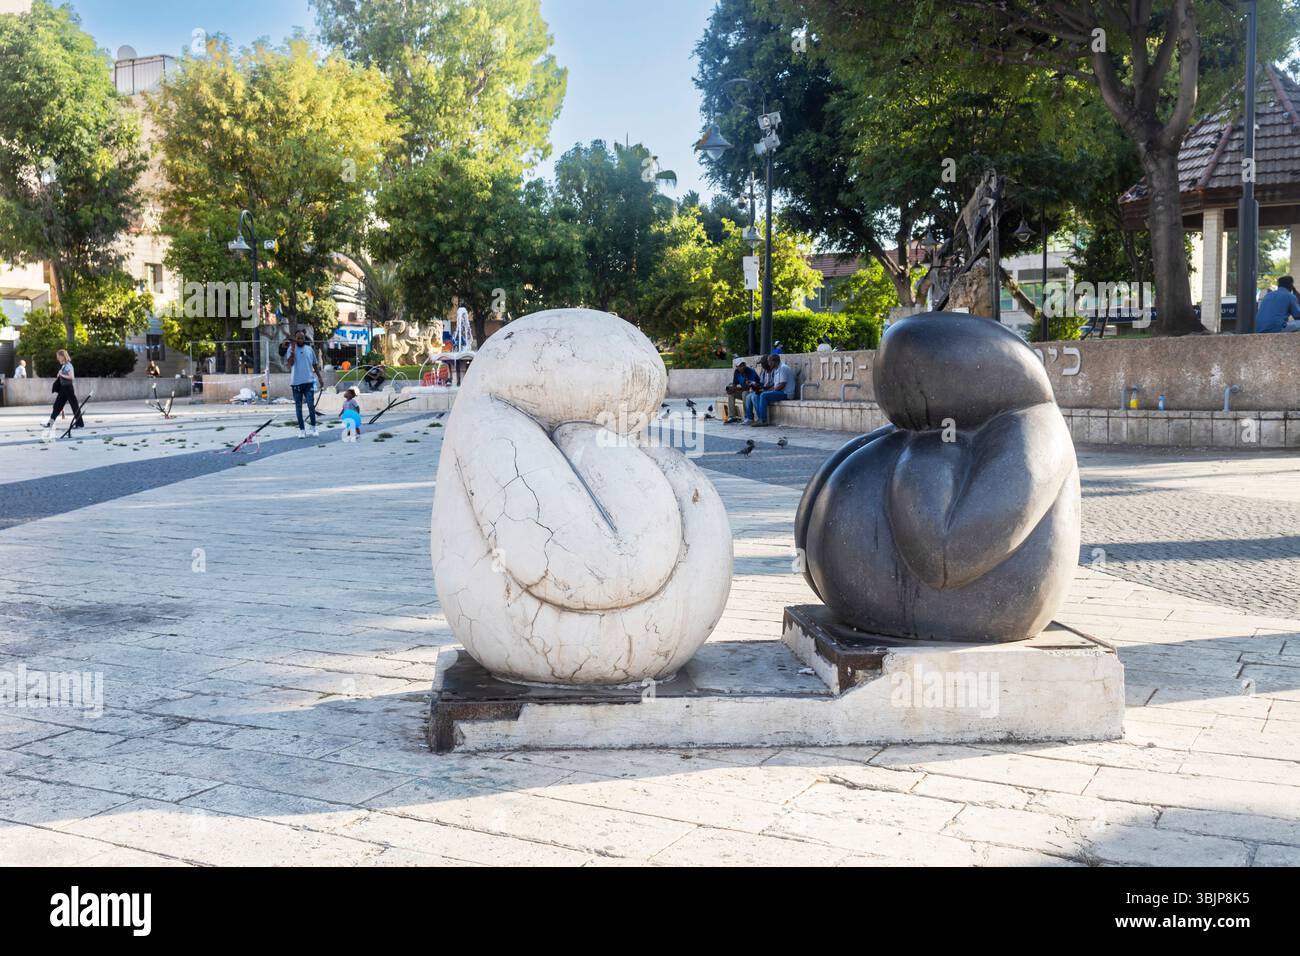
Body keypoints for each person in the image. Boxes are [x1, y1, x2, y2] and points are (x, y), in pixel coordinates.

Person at [287, 329, 324, 438]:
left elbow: (315, 365)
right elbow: (290, 363)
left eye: (302, 338)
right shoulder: (291, 349)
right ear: (295, 338)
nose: (300, 340)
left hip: (308, 382)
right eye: (298, 338)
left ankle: (313, 427)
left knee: (311, 406)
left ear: (304, 338)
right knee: (298, 407)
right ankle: (302, 430)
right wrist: (293, 350)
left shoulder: (309, 349)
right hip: (296, 383)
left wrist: (320, 378)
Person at [44, 349, 84, 435]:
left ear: (63, 356)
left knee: (74, 406)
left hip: (68, 388)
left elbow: (71, 377)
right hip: (63, 388)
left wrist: (61, 374)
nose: (57, 359)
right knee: (57, 406)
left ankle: (80, 424)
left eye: (58, 357)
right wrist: (60, 375)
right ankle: (50, 423)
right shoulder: (64, 366)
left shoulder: (69, 365)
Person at [751, 352, 793, 427]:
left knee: (763, 395)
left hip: (786, 393)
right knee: (758, 394)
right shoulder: (777, 369)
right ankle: (760, 418)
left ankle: (763, 420)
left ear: (774, 361)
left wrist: (768, 391)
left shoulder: (783, 368)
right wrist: (765, 390)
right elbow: (775, 385)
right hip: (780, 392)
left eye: (769, 362)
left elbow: (782, 385)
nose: (768, 363)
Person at [723, 359, 760, 423]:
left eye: (743, 365)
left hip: (754, 391)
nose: (742, 367)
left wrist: (737, 389)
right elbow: (735, 383)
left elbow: (749, 387)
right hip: (743, 389)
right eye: (740, 366)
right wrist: (732, 389)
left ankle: (747, 417)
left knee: (745, 394)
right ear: (737, 367)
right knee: (731, 394)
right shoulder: (736, 372)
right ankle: (732, 416)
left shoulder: (750, 371)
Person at [742, 356, 774, 424]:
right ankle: (749, 418)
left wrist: (764, 387)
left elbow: (774, 384)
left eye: (763, 363)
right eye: (761, 364)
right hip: (763, 389)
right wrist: (754, 384)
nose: (762, 365)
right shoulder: (764, 372)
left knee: (754, 396)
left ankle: (761, 419)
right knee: (748, 396)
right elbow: (761, 383)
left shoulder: (774, 371)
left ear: (768, 363)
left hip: (770, 390)